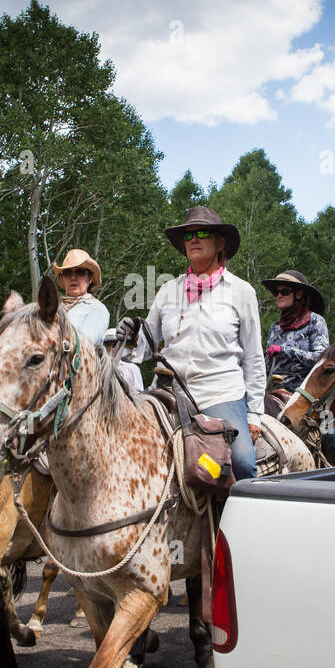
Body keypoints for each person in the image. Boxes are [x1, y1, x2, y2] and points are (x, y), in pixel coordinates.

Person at [116, 206, 265, 483]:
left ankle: (239, 524)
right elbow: (145, 348)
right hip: (168, 393)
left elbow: (255, 357)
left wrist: (255, 413)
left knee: (242, 463)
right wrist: (130, 336)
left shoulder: (242, 292)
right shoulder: (168, 289)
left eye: (203, 232)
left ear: (220, 243)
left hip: (219, 393)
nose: (194, 239)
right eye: (188, 235)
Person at [261, 270, 335, 456]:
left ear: (299, 294)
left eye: (284, 291)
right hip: (276, 388)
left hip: (310, 392)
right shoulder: (275, 328)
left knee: (331, 434)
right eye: (276, 292)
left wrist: (286, 351)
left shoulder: (316, 322)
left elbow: (321, 359)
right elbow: (268, 362)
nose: (278, 296)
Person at [53, 249, 109, 346]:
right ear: (62, 278)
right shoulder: (53, 308)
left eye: (80, 272)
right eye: (67, 272)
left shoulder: (97, 309)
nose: (73, 277)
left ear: (90, 279)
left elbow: (85, 345)